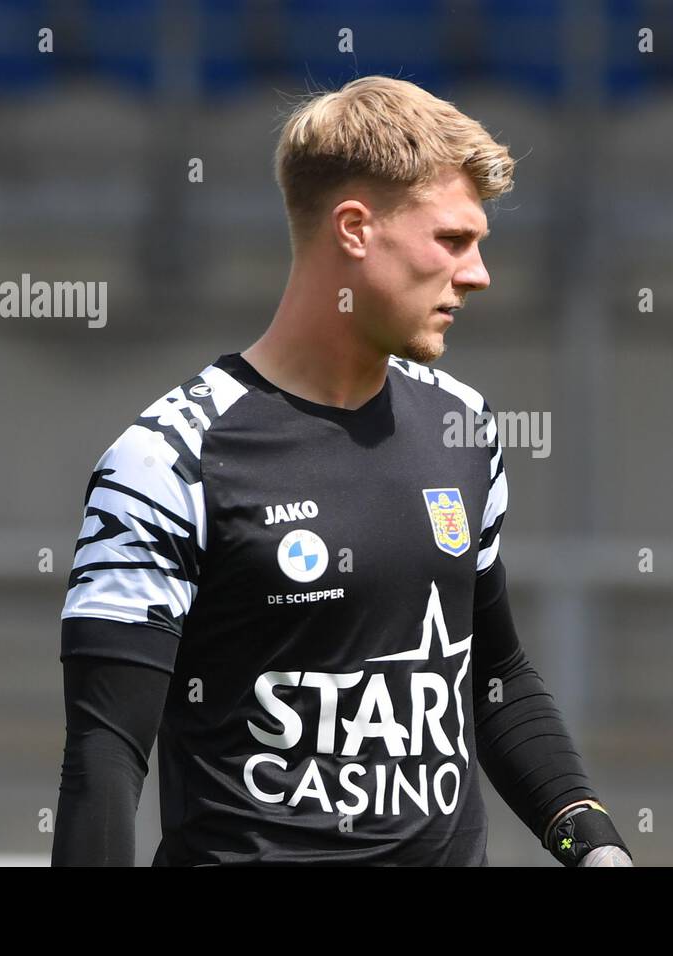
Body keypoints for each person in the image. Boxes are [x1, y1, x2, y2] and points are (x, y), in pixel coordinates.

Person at [50, 75, 632, 867]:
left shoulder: (463, 426)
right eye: (453, 241)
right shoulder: (168, 459)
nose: (478, 274)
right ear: (355, 229)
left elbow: (492, 677)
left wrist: (590, 839)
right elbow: (105, 762)